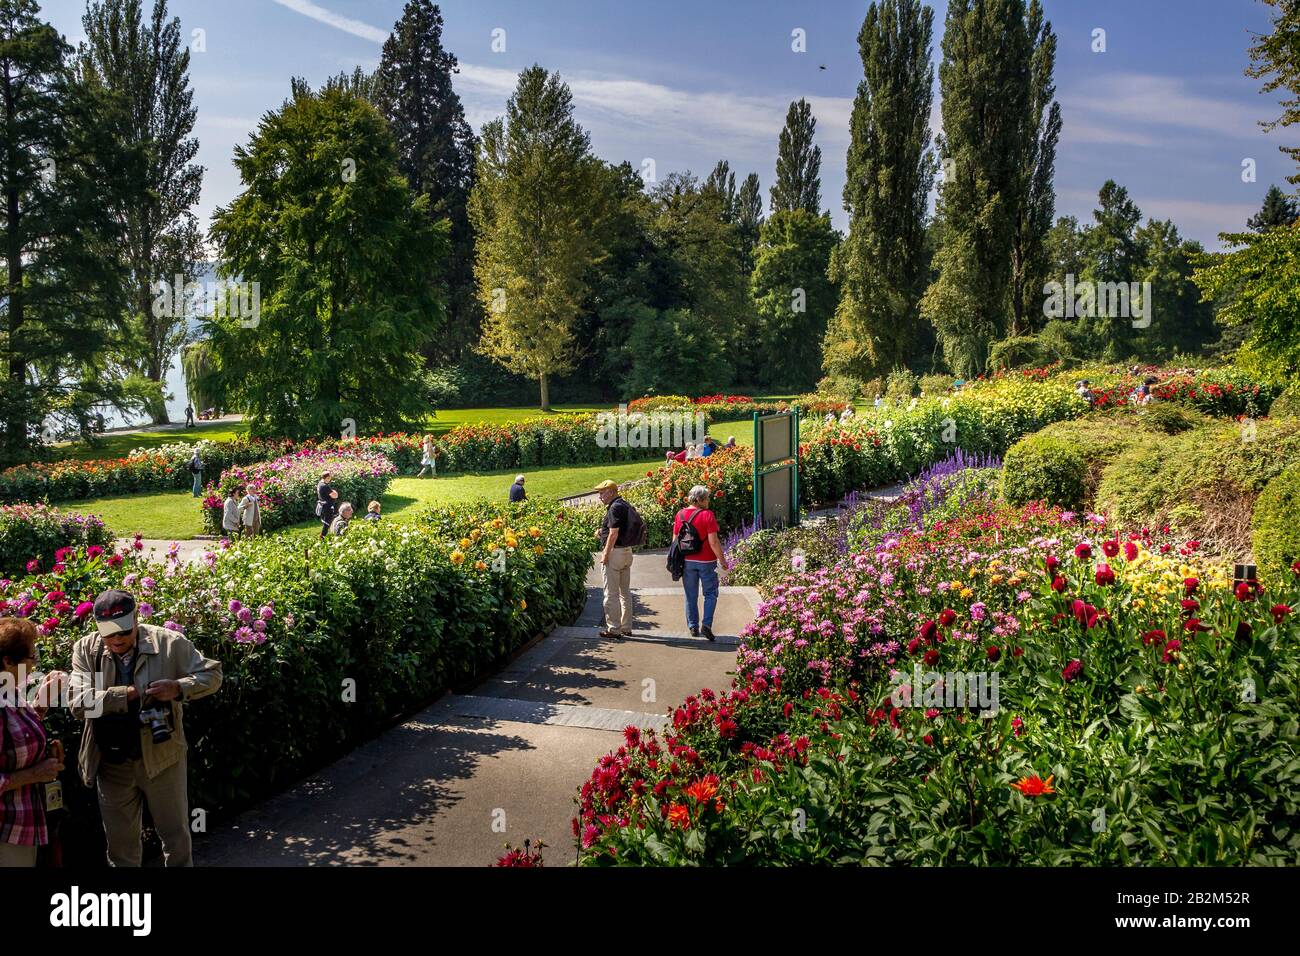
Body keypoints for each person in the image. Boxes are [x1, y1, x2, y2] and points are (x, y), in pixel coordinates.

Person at [69, 589, 222, 867]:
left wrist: (178, 688)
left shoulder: (168, 642)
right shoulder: (85, 649)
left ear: (137, 619)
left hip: (163, 758)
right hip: (111, 763)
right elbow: (78, 703)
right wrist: (129, 694)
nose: (117, 639)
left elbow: (212, 674)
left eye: (124, 631)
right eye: (109, 632)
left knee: (176, 840)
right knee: (120, 848)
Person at [0, 618, 66, 867]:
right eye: (30, 657)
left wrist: (42, 702)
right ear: (8, 661)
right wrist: (34, 774)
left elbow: (16, 736)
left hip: (22, 824)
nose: (35, 664)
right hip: (5, 829)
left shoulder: (9, 692)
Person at [673, 485, 729, 641]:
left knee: (690, 595)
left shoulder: (680, 514)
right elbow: (714, 542)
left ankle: (693, 626)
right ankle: (707, 625)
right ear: (701, 499)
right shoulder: (707, 515)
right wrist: (722, 561)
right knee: (710, 594)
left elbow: (675, 540)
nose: (709, 501)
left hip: (687, 562)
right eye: (708, 498)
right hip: (707, 561)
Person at [595, 480, 635, 639]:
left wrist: (605, 554)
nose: (600, 496)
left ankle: (613, 629)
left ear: (611, 492)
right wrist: (601, 532)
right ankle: (626, 627)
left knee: (611, 594)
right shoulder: (623, 504)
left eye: (602, 493)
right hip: (626, 552)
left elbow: (613, 533)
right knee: (625, 592)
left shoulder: (614, 507)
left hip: (615, 554)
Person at [317, 472, 339, 539]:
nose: (330, 479)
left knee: (330, 521)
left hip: (324, 505)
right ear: (327, 478)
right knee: (327, 523)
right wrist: (334, 492)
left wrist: (332, 492)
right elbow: (335, 495)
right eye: (330, 477)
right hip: (327, 507)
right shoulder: (324, 486)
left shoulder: (320, 483)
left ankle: (331, 533)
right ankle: (322, 537)